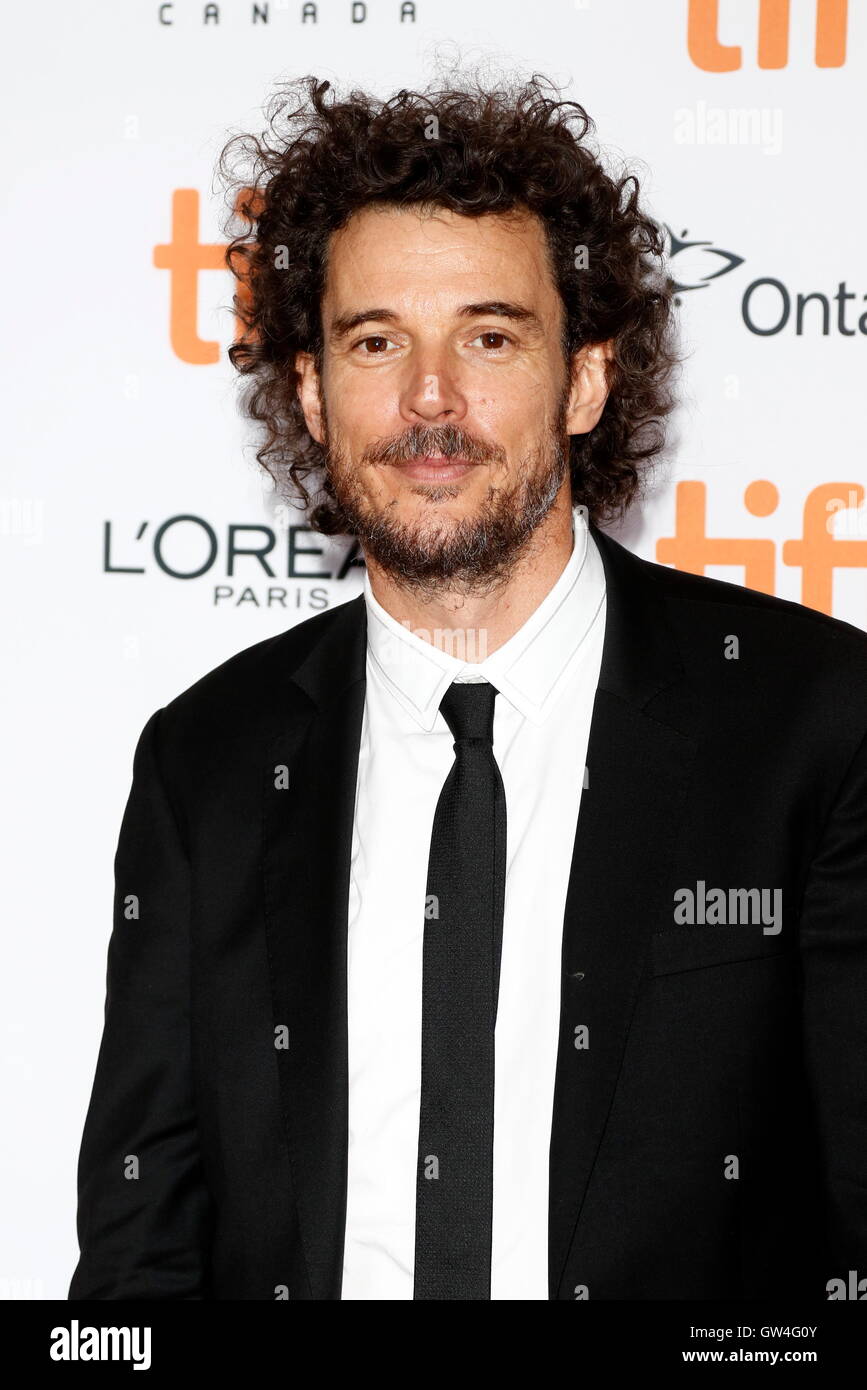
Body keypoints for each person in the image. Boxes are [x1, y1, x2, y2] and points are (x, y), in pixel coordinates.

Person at [69, 72, 867, 1301]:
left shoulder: (813, 723)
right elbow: (142, 1253)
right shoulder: (206, 763)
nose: (429, 398)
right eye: (375, 341)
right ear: (309, 392)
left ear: (588, 379)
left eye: (489, 337)